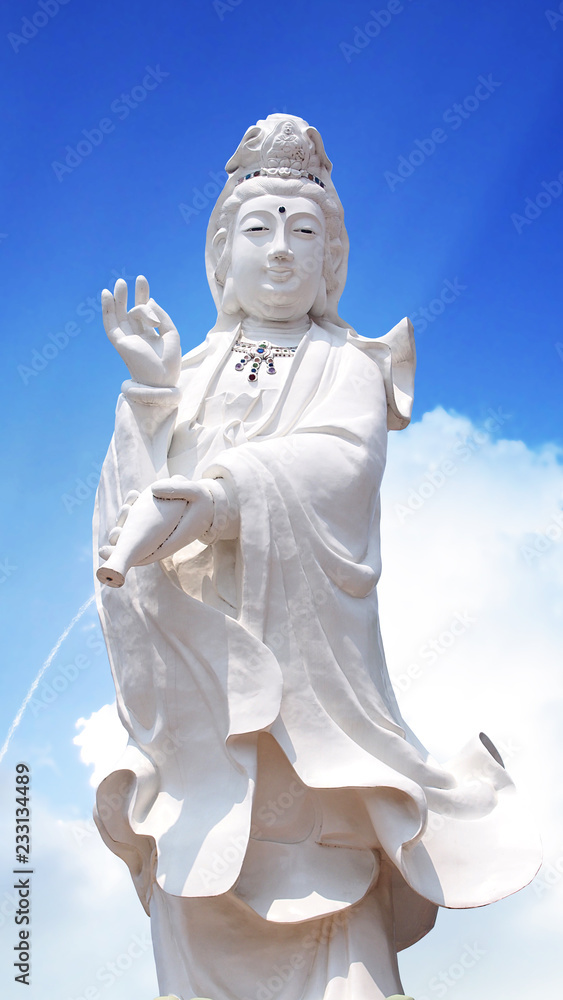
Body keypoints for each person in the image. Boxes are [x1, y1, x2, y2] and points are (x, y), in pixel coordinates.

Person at [94, 115, 540, 1000]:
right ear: (221, 251)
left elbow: (338, 471)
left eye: (306, 231)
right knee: (199, 909)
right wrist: (149, 396)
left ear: (332, 255)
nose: (282, 252)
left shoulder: (345, 364)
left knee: (345, 958)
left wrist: (220, 496)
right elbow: (118, 523)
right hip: (201, 712)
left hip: (306, 729)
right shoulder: (187, 370)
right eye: (257, 230)